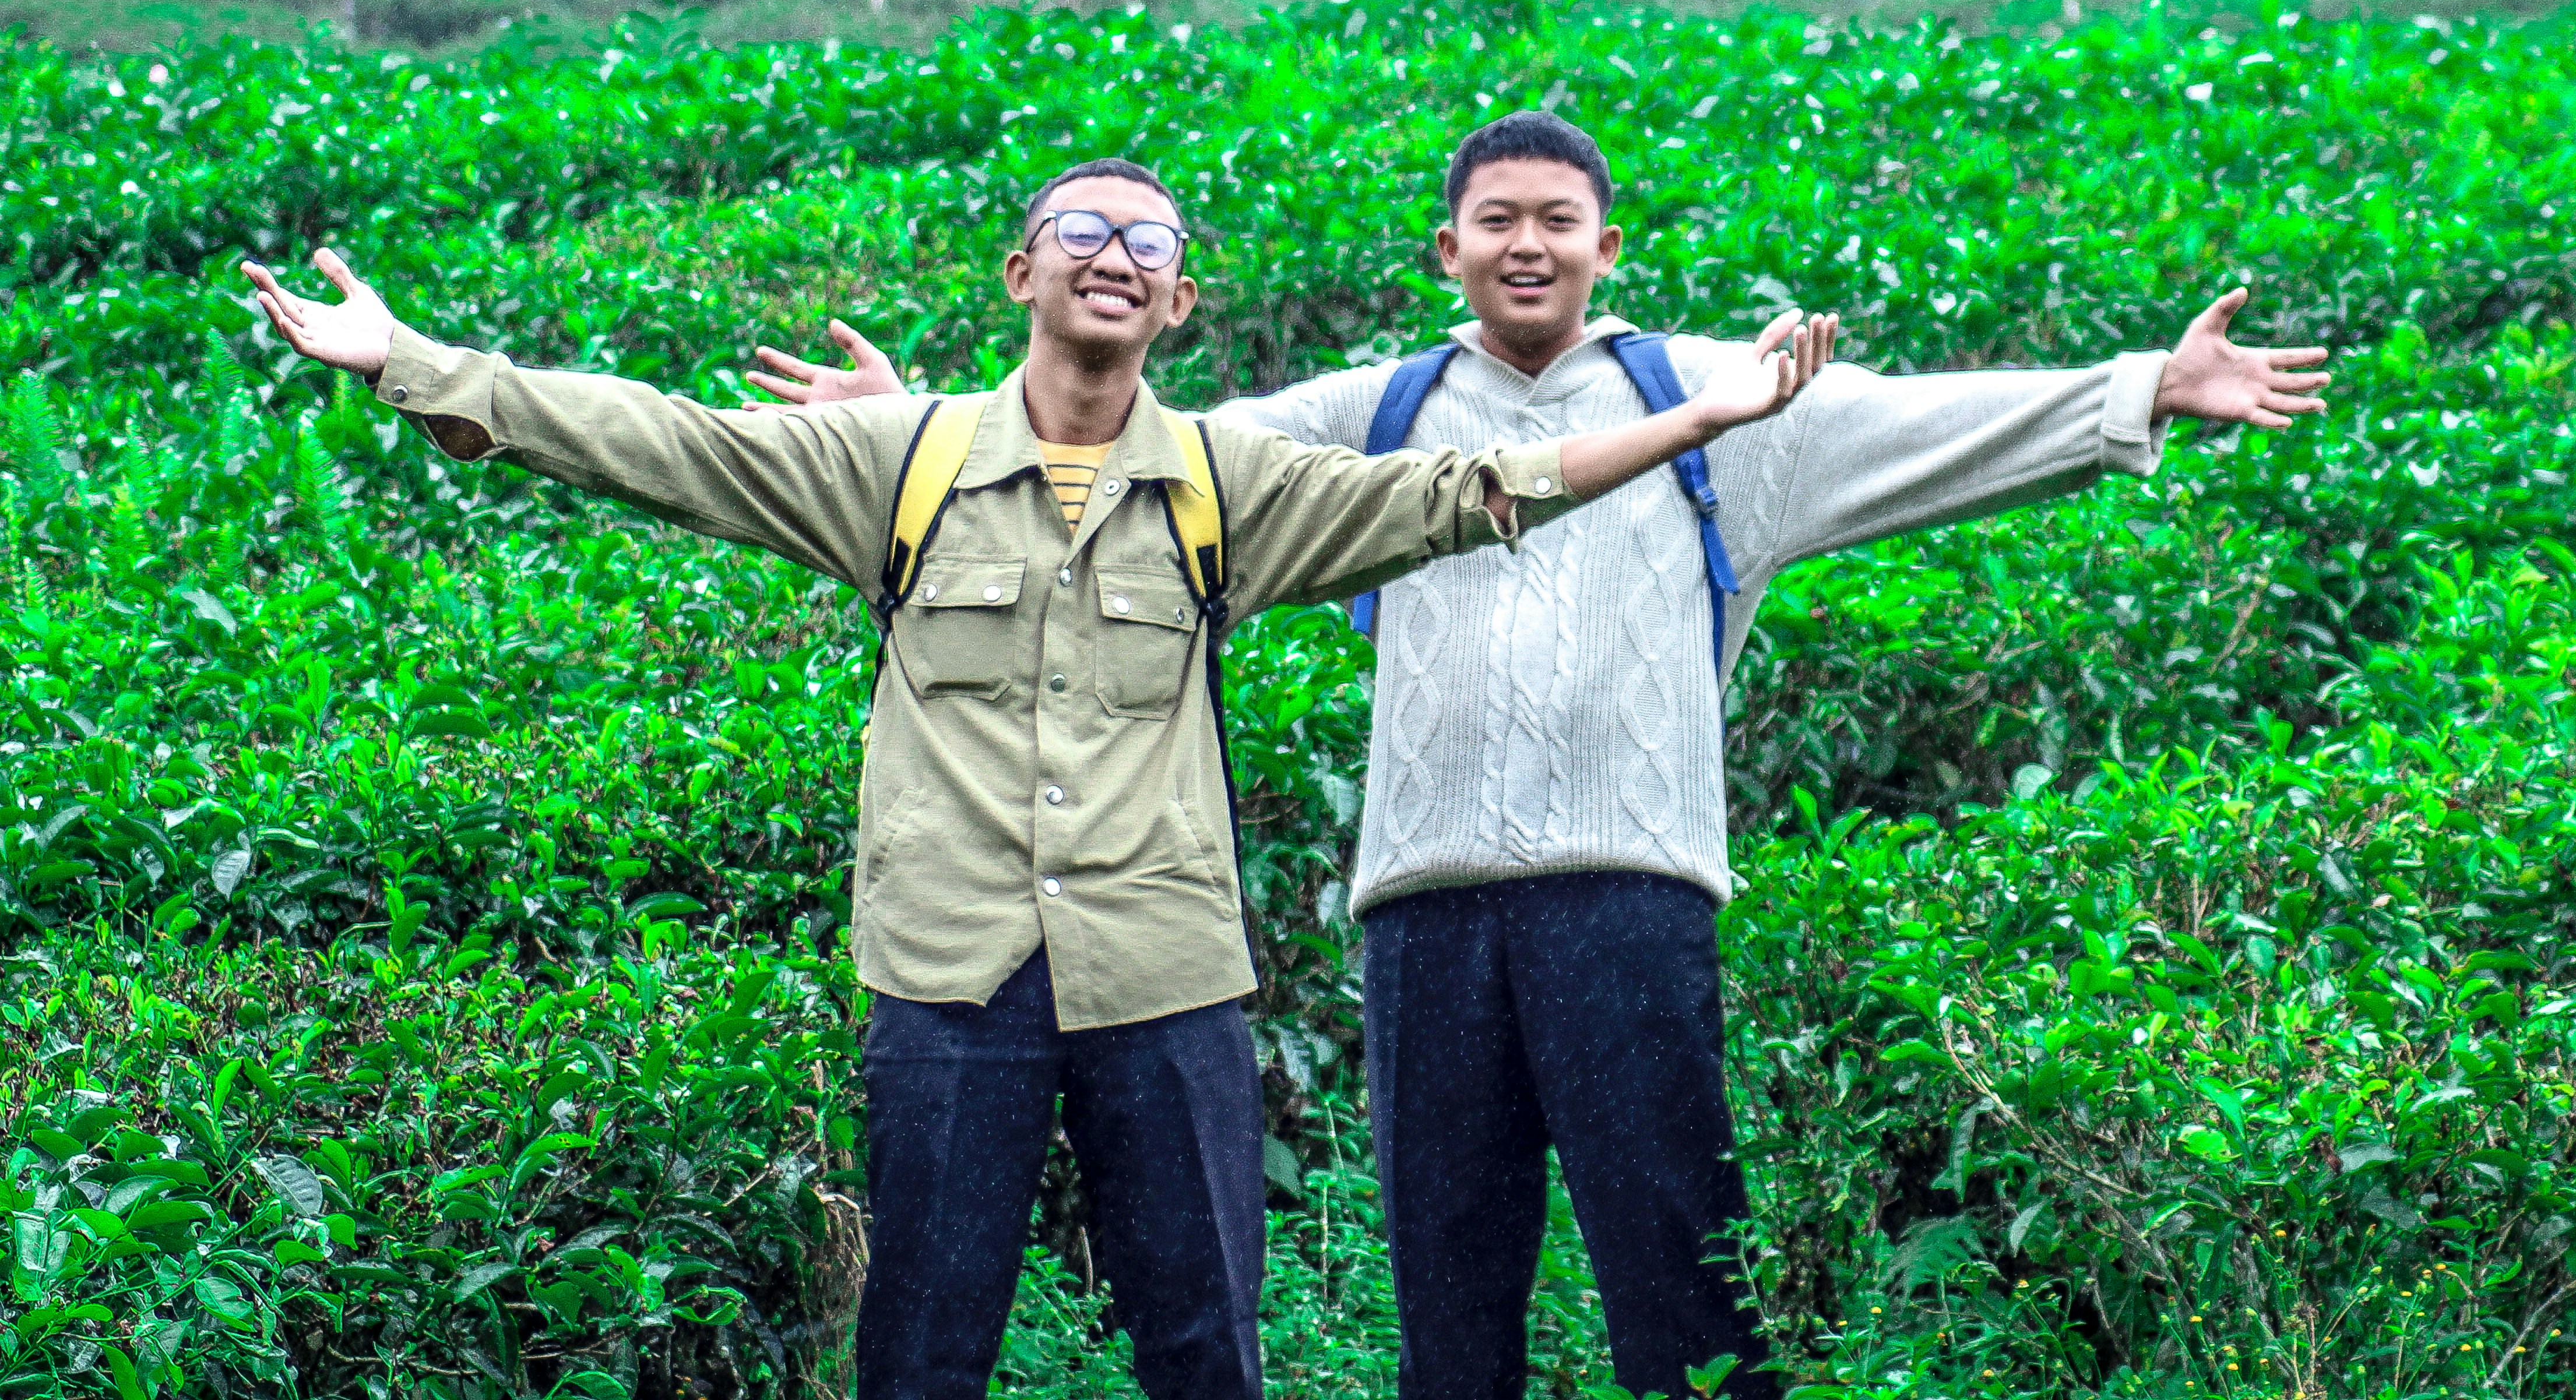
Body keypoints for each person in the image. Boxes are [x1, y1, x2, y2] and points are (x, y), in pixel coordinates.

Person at [753, 117, 2331, 1400]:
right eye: (1496, 218)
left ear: (1604, 248)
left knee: (1678, 1286)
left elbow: (1932, 428)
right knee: (1451, 1304)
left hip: (1628, 898)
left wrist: (2142, 391)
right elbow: (1121, 441)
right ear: (1449, 252)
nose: (1528, 243)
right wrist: (927, 435)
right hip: (1424, 912)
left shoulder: (1715, 400)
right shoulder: (1367, 413)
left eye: (1558, 220)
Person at [241, 154, 1834, 1400]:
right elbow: (658, 443)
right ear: (1022, 273)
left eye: (1148, 244)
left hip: (1165, 977)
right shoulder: (903, 459)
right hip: (948, 974)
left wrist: (1697, 411)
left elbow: (1470, 490)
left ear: (1180, 305)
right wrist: (411, 365)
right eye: (1082, 231)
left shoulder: (1228, 481)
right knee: (923, 1359)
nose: (1113, 257)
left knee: (1206, 1355)